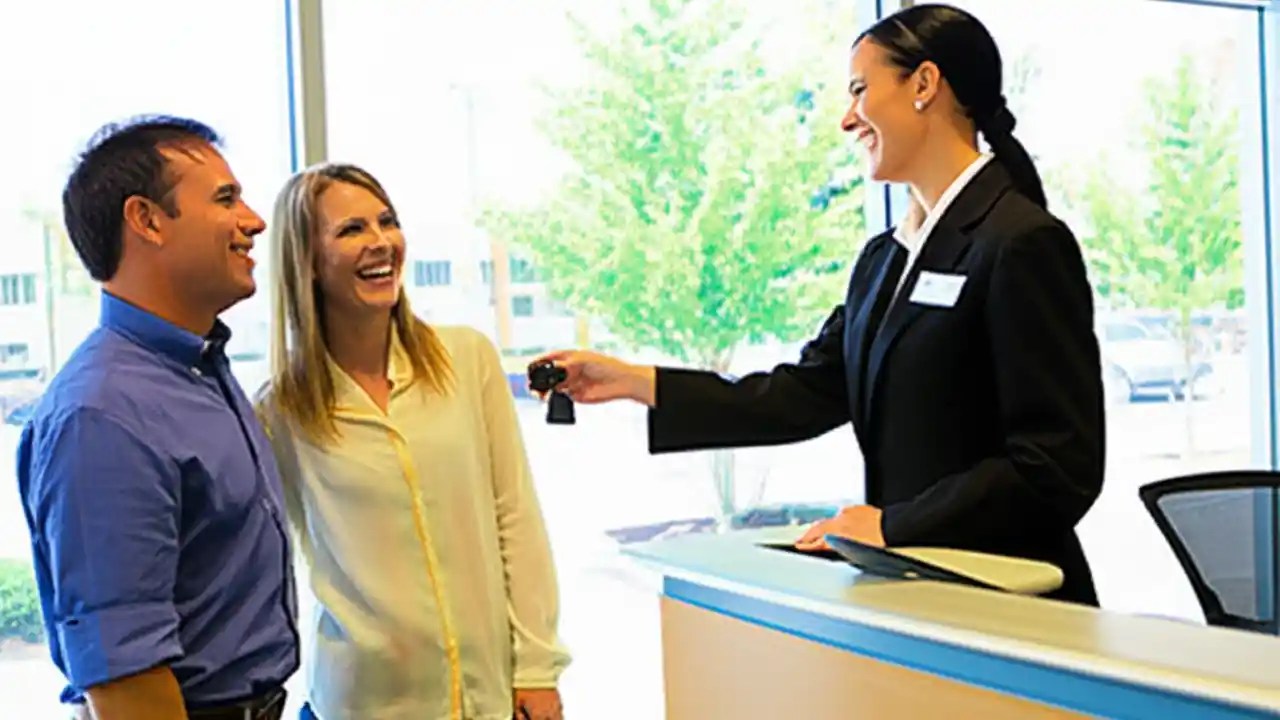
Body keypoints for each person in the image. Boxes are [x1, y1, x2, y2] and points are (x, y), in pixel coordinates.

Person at [534, 3, 1105, 606]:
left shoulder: (1021, 241)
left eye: (859, 90)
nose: (846, 118)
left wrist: (890, 527)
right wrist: (633, 381)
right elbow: (800, 396)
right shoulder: (886, 259)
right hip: (925, 598)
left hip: (1018, 607)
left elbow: (1055, 467)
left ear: (924, 85)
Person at [256, 162, 570, 720]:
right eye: (351, 230)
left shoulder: (467, 360)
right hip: (359, 706)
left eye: (387, 221)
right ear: (305, 260)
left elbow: (515, 520)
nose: (381, 243)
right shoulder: (279, 411)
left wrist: (536, 668)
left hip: (488, 699)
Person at [15, 116, 299, 719]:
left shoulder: (197, 371)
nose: (254, 221)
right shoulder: (104, 413)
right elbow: (126, 678)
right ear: (146, 220)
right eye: (226, 199)